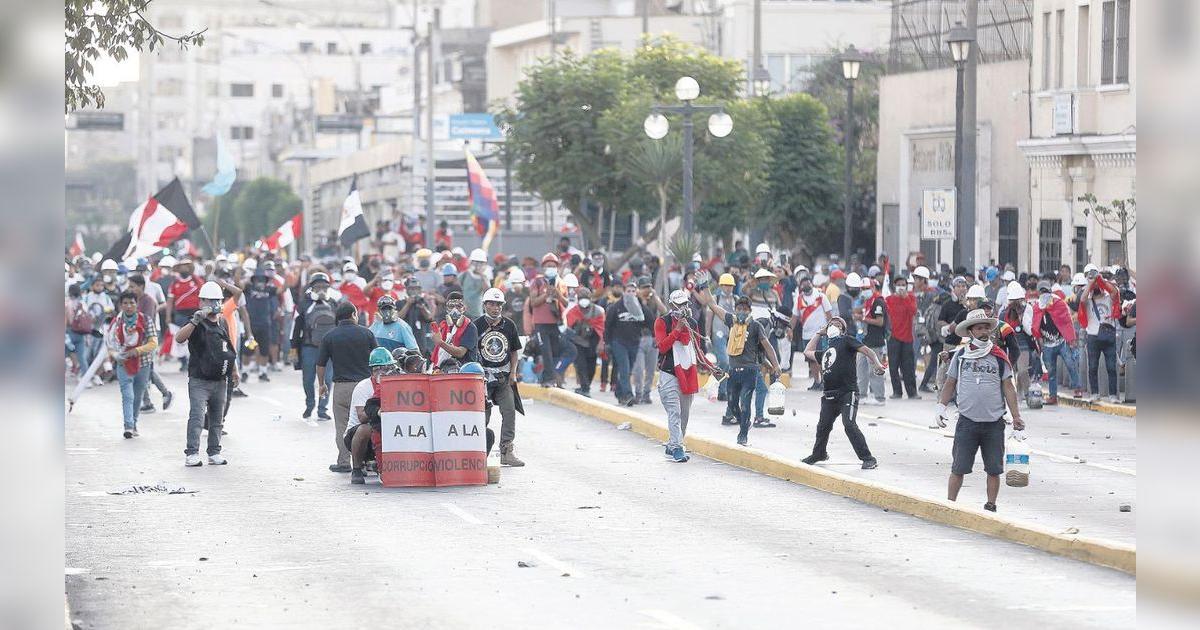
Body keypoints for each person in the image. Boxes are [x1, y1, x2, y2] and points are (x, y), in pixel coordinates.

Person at [935, 309, 1026, 512]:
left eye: (986, 328)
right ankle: (949, 505)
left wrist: (1016, 416)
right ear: (970, 332)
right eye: (979, 328)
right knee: (958, 467)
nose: (984, 331)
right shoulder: (960, 356)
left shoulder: (999, 356)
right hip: (967, 422)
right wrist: (941, 407)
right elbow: (950, 382)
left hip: (994, 423)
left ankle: (991, 504)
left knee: (994, 469)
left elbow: (1008, 387)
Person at [801, 316, 885, 469]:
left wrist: (877, 364)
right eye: (831, 324)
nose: (834, 325)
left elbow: (867, 351)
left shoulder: (847, 341)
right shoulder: (825, 351)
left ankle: (868, 458)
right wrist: (819, 333)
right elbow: (807, 351)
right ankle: (819, 453)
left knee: (849, 424)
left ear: (843, 330)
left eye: (838, 324)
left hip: (847, 392)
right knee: (823, 426)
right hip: (829, 395)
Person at [698, 291, 779, 446]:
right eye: (739, 308)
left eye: (745, 309)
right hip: (733, 371)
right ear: (735, 310)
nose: (742, 311)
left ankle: (743, 435)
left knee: (745, 403)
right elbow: (713, 305)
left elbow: (767, 346)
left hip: (750, 371)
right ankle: (744, 422)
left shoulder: (756, 326)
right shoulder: (731, 321)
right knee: (732, 404)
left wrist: (776, 366)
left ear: (750, 311)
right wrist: (705, 288)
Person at [175, 281, 238, 466]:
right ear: (201, 301)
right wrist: (195, 320)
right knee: (197, 417)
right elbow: (179, 338)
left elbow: (228, 346)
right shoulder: (195, 321)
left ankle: (214, 452)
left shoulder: (222, 321)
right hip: (199, 379)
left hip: (220, 379)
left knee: (217, 419)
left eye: (217, 300)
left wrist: (234, 370)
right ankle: (192, 453)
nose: (213, 304)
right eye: (209, 300)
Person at [316, 301, 377, 473]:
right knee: (367, 424)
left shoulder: (329, 336)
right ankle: (366, 462)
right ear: (353, 315)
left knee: (343, 426)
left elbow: (320, 364)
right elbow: (377, 357)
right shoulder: (367, 333)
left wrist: (322, 384)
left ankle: (343, 461)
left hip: (342, 387)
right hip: (365, 388)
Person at [473, 288, 525, 466]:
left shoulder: (509, 325)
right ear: (485, 305)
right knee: (482, 416)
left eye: (499, 305)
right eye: (492, 304)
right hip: (483, 379)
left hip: (503, 377)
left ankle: (506, 451)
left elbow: (514, 352)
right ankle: (479, 451)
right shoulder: (476, 326)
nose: (496, 308)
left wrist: (513, 373)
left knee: (509, 411)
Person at [656, 290, 706, 463]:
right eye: (679, 304)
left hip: (687, 373)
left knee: (684, 414)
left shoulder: (692, 323)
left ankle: (673, 445)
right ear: (672, 305)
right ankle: (677, 447)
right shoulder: (662, 322)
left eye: (685, 304)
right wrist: (677, 329)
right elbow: (662, 347)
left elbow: (697, 348)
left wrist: (709, 366)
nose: (683, 307)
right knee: (675, 412)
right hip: (669, 374)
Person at [107, 291, 159, 438]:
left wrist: (136, 351)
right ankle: (128, 426)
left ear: (137, 304)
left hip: (143, 363)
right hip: (123, 363)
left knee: (138, 395)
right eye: (125, 303)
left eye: (132, 303)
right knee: (128, 395)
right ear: (120, 305)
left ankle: (134, 423)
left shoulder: (146, 320)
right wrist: (115, 355)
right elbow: (109, 344)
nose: (129, 306)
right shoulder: (116, 323)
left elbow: (153, 343)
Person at [346, 348, 398, 484]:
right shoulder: (363, 387)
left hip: (385, 429)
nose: (385, 372)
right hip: (360, 433)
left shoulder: (395, 384)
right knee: (366, 428)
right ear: (374, 370)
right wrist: (378, 411)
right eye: (382, 369)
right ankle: (357, 469)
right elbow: (362, 417)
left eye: (389, 368)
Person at [290, 273, 337, 420]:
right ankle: (309, 404)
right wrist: (293, 348)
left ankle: (322, 409)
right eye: (318, 287)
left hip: (328, 349)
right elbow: (295, 327)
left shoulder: (333, 304)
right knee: (308, 379)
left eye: (324, 287)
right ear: (312, 288)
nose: (321, 290)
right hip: (309, 347)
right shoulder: (304, 304)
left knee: (327, 379)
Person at [128, 275, 174, 413]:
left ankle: (154, 399)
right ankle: (155, 398)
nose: (130, 289)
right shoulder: (134, 300)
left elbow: (146, 321)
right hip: (136, 340)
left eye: (132, 286)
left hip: (147, 340)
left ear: (141, 286)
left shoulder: (148, 301)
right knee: (143, 369)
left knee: (144, 369)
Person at [1032, 280, 1082, 404]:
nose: (1044, 293)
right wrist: (1039, 344)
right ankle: (1053, 396)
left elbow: (1067, 321)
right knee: (1051, 372)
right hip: (1047, 344)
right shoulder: (1036, 307)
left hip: (1061, 342)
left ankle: (1077, 388)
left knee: (1070, 365)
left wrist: (1071, 339)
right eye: (1042, 291)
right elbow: (1035, 326)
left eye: (1046, 290)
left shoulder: (1059, 303)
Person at [790, 274, 833, 391]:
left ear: (811, 283)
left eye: (807, 282)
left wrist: (831, 330)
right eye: (803, 283)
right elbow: (794, 317)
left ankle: (824, 382)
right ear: (800, 286)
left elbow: (829, 315)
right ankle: (816, 382)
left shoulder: (821, 296)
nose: (805, 285)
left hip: (821, 334)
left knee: (822, 358)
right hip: (807, 335)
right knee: (811, 360)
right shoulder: (799, 299)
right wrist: (790, 330)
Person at [528, 253, 566, 387]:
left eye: (553, 266)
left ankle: (550, 378)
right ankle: (549, 379)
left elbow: (567, 303)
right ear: (543, 267)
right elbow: (533, 302)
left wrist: (558, 295)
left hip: (556, 323)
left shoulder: (561, 283)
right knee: (546, 351)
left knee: (555, 351)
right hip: (541, 323)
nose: (551, 268)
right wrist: (546, 295)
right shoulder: (537, 282)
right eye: (548, 266)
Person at [884, 275, 920, 399]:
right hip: (893, 337)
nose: (901, 287)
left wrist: (905, 298)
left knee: (908, 367)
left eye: (903, 285)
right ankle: (897, 392)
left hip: (907, 337)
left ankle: (912, 392)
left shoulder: (911, 298)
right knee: (893, 366)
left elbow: (913, 311)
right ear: (894, 286)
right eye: (898, 285)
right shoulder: (888, 299)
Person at [565, 286, 605, 397]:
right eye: (581, 298)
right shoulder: (572, 312)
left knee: (591, 366)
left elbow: (602, 329)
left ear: (590, 298)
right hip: (578, 342)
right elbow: (568, 329)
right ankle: (585, 388)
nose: (584, 300)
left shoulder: (598, 311)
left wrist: (601, 343)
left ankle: (585, 386)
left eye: (586, 297)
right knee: (581, 365)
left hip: (592, 341)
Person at [857, 275, 890, 405]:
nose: (863, 291)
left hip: (875, 341)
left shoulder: (878, 302)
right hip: (864, 341)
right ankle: (862, 395)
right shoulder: (867, 301)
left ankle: (879, 397)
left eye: (866, 288)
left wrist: (863, 319)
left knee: (875, 370)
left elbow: (880, 322)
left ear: (872, 287)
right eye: (862, 288)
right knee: (861, 369)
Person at [243, 270, 280, 382]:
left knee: (264, 350)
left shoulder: (269, 290)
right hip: (251, 325)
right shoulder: (249, 288)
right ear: (253, 280)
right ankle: (245, 372)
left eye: (263, 280)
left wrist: (286, 277)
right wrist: (240, 271)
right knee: (248, 349)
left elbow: (282, 289)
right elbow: (238, 284)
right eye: (258, 280)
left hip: (265, 324)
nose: (260, 282)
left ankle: (263, 372)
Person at [431, 291, 479, 368]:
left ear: (464, 308)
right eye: (451, 306)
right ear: (447, 309)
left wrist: (440, 342)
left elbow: (460, 353)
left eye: (458, 306)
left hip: (463, 370)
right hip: (445, 369)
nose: (455, 310)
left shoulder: (470, 327)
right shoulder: (444, 326)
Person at [396, 276, 434, 355]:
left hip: (420, 340)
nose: (414, 291)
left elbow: (429, 318)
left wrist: (422, 307)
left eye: (416, 289)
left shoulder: (422, 302)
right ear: (407, 290)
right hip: (404, 341)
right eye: (412, 289)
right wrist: (408, 304)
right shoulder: (400, 303)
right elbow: (398, 318)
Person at [460, 248, 490, 319]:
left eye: (481, 263)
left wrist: (481, 275)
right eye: (476, 262)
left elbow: (487, 291)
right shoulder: (465, 274)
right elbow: (458, 288)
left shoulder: (484, 277)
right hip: (464, 312)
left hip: (477, 312)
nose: (478, 265)